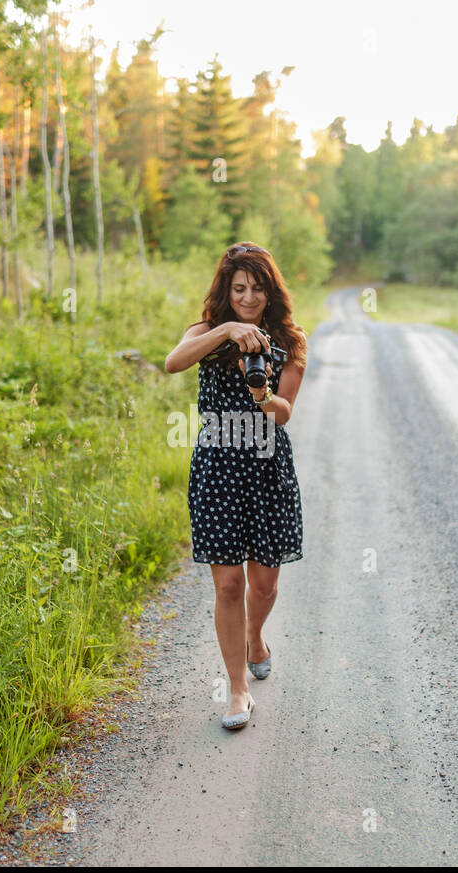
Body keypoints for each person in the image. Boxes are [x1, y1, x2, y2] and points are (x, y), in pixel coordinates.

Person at [163, 242, 308, 731]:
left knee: (263, 585)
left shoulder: (288, 339)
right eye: (239, 288)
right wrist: (225, 331)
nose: (248, 297)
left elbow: (284, 413)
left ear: (271, 291)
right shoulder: (206, 331)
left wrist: (262, 393)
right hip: (218, 469)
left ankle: (254, 636)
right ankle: (237, 689)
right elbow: (173, 362)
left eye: (257, 288)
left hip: (267, 467)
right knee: (228, 584)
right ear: (226, 290)